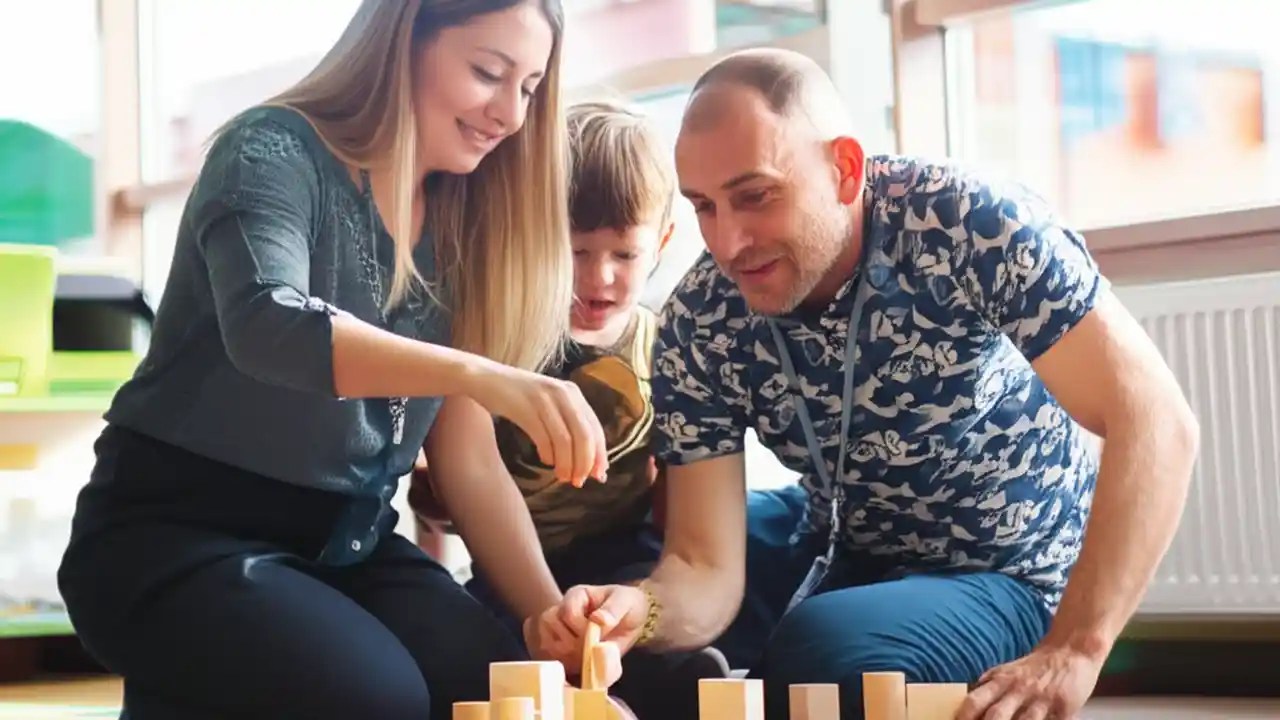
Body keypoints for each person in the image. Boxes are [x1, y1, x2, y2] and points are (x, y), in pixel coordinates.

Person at [533, 48, 1200, 720]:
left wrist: (1076, 649)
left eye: (756, 196)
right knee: (601, 579)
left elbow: (1156, 421)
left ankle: (773, 667)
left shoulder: (971, 224)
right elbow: (702, 568)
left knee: (822, 650)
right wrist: (638, 613)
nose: (729, 243)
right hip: (840, 533)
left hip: (1005, 566)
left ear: (845, 170)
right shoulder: (702, 316)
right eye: (704, 206)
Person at [56, 2, 612, 718]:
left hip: (348, 547)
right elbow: (267, 324)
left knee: (510, 693)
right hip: (167, 537)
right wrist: (476, 370)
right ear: (403, 42)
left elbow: (469, 462)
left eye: (530, 87)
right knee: (374, 699)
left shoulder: (467, 216)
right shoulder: (270, 150)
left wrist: (547, 619)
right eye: (488, 72)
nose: (510, 112)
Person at [409, 99, 734, 719]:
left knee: (685, 666)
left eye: (624, 255)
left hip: (628, 562)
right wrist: (543, 609)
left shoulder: (664, 343)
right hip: (515, 568)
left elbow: (682, 499)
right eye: (576, 251)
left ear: (662, 242)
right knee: (482, 669)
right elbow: (472, 472)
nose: (599, 278)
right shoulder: (490, 335)